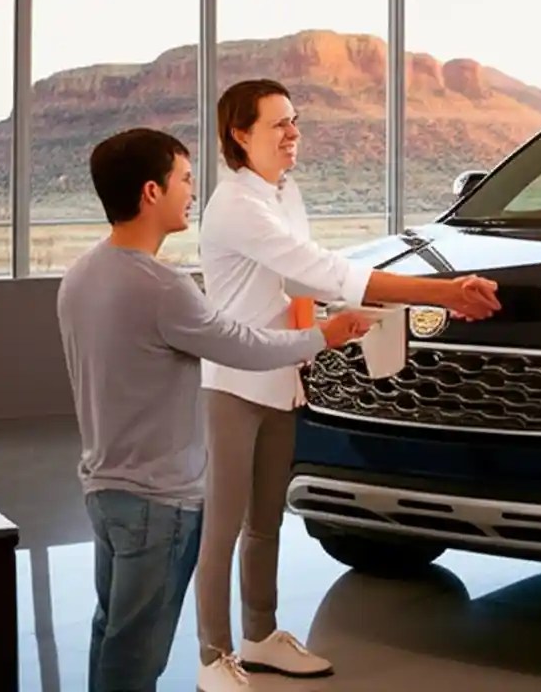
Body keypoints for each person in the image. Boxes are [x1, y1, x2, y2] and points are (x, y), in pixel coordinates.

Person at [193, 79, 502, 690]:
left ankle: (259, 637)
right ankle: (212, 658)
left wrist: (335, 330)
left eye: (294, 120)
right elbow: (324, 270)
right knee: (223, 527)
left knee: (264, 523)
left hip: (284, 375)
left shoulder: (286, 194)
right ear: (239, 133)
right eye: (278, 123)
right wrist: (443, 290)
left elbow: (305, 284)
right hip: (234, 384)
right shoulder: (236, 205)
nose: (292, 133)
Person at [56, 128, 372, 692]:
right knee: (138, 655)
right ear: (151, 192)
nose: (191, 191)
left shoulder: (79, 277)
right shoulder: (162, 288)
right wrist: (325, 335)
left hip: (103, 490)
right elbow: (243, 346)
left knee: (112, 633)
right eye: (183, 179)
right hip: (159, 501)